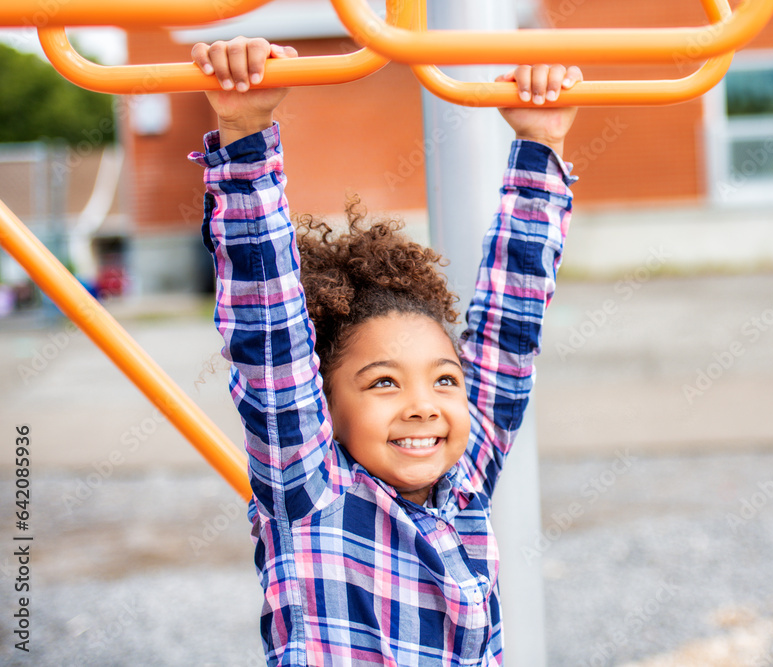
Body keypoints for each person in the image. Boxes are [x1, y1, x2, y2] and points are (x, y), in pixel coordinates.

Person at [189, 37, 581, 666]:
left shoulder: (464, 485)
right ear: (325, 406)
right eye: (383, 384)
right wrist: (244, 133)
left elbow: (512, 323)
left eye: (445, 381)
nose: (424, 406)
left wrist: (541, 144)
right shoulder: (313, 492)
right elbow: (270, 335)